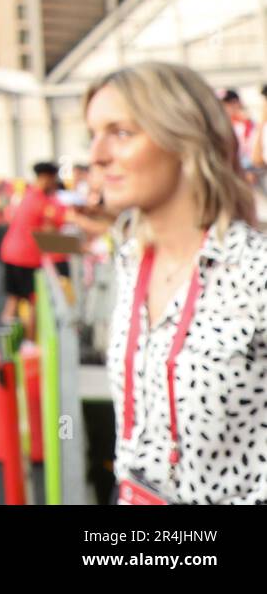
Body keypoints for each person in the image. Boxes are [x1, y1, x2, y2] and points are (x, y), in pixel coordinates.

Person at [87, 62, 267, 504]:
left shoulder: (255, 271)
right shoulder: (131, 263)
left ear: (183, 138)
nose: (97, 154)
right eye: (92, 134)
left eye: (121, 132)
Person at [0, 161, 66, 339]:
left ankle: (5, 344)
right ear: (45, 178)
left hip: (10, 253)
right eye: (53, 179)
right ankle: (29, 344)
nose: (55, 184)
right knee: (32, 302)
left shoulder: (26, 195)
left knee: (13, 300)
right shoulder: (42, 201)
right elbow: (52, 230)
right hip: (26, 258)